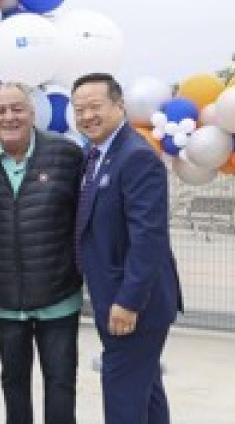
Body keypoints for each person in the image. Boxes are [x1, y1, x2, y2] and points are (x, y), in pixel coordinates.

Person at [0, 82, 85, 424]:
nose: (9, 116)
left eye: (17, 108)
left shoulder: (66, 154)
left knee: (60, 382)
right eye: (0, 111)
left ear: (32, 113)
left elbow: (85, 220)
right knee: (13, 382)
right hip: (5, 296)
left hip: (58, 293)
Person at [71, 73, 183, 424]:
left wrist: (128, 301)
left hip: (135, 303)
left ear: (119, 105)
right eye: (79, 109)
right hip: (115, 296)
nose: (87, 116)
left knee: (122, 393)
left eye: (95, 106)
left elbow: (148, 236)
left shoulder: (135, 156)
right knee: (144, 390)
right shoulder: (97, 155)